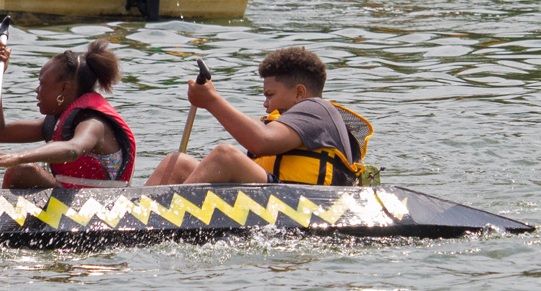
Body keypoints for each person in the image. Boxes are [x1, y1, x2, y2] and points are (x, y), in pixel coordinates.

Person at [146, 47, 372, 187]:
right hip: (277, 195)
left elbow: (262, 142)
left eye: (270, 95)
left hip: (302, 203)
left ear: (299, 93)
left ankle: (154, 223)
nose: (266, 104)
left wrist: (211, 101)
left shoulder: (316, 108)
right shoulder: (293, 118)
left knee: (225, 155)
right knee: (177, 163)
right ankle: (130, 216)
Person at [0, 39, 136, 189]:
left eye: (42, 84)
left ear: (64, 89)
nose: (36, 90)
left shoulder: (94, 124)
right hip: (67, 195)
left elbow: (73, 149)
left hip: (101, 204)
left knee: (22, 170)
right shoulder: (56, 122)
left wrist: (14, 157)